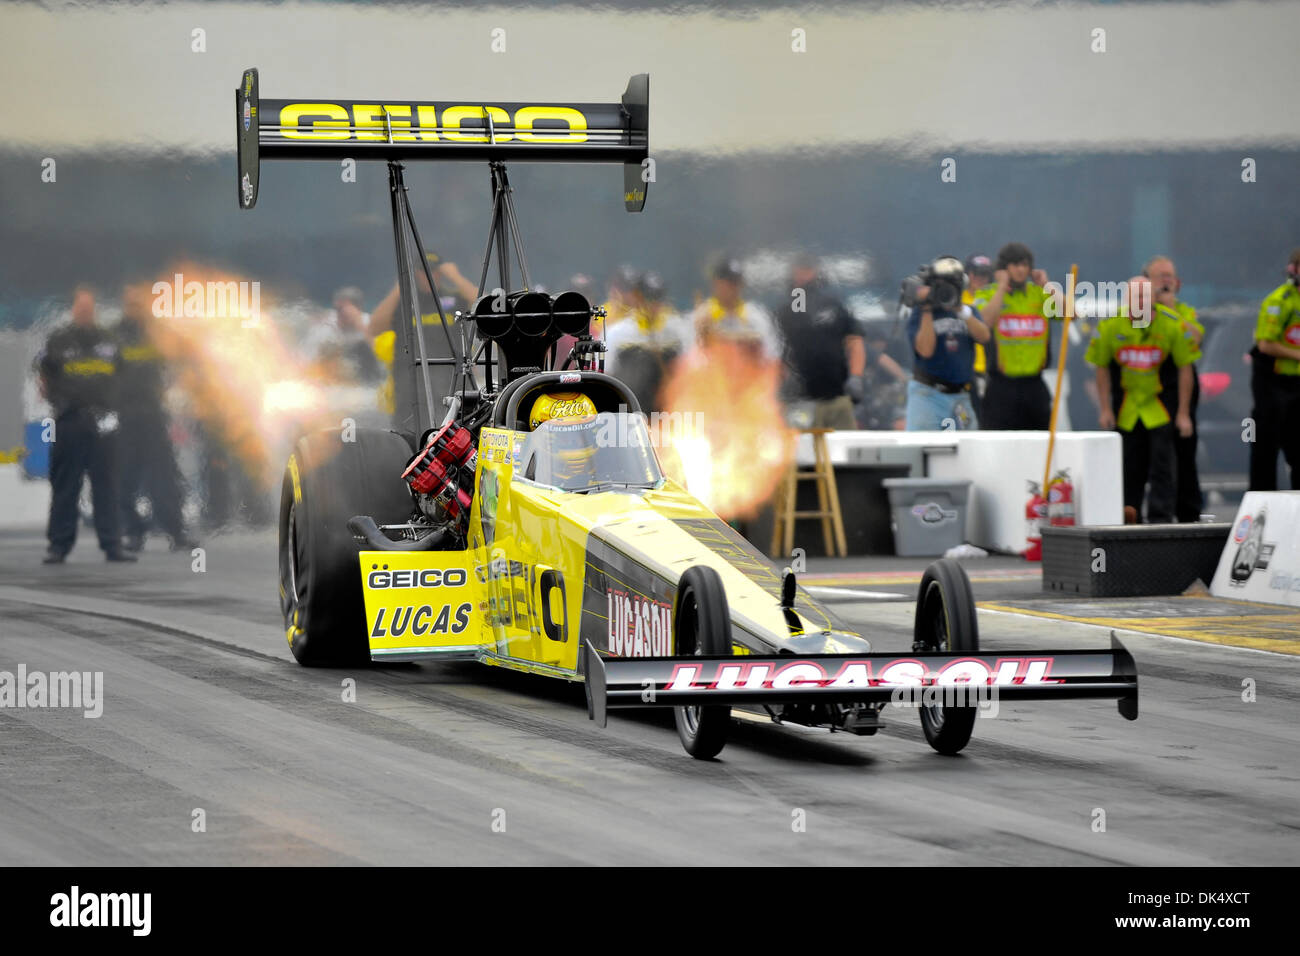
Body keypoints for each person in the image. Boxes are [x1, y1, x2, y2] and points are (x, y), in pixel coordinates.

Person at [36, 285, 135, 563]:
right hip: (70, 420)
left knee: (107, 485)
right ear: (73, 310)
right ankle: (58, 546)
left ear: (95, 311)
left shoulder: (110, 340)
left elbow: (123, 376)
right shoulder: (59, 340)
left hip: (104, 421)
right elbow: (44, 376)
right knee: (66, 485)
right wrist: (59, 402)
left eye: (89, 309)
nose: (85, 313)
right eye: (81, 308)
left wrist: (115, 406)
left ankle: (112, 545)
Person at [1087, 277, 1198, 523]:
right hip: (1127, 407)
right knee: (1128, 466)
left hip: (1160, 405)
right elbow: (1101, 368)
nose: (1140, 302)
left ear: (1154, 299)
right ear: (1126, 299)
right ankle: (1129, 517)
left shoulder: (1171, 324)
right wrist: (1104, 409)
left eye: (1145, 296)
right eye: (1135, 297)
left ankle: (1161, 519)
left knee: (1163, 465)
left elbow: (1186, 368)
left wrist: (1183, 413)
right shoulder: (1111, 326)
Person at [114, 283, 196, 552]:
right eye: (131, 304)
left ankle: (176, 531)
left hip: (153, 414)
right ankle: (133, 532)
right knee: (125, 477)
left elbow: (178, 361)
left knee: (164, 476)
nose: (135, 309)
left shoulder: (158, 334)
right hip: (125, 416)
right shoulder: (114, 337)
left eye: (139, 304)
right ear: (125, 307)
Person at [773, 255, 865, 430]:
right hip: (800, 401)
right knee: (802, 452)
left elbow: (854, 341)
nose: (803, 275)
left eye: (807, 270)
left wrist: (855, 377)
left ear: (816, 273)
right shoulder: (787, 311)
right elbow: (777, 350)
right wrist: (782, 379)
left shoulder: (835, 306)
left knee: (844, 451)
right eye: (799, 271)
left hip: (837, 397)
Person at [1145, 256, 1205, 520]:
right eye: (1160, 276)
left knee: (1185, 452)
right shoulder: (1140, 310)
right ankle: (1156, 514)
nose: (1166, 281)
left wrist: (1170, 310)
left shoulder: (1184, 310)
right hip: (1149, 391)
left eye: (1170, 276)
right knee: (1156, 457)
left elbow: (1195, 337)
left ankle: (1189, 514)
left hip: (1180, 392)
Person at [971, 242, 1054, 430]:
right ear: (1004, 268)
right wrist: (1001, 287)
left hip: (1035, 385)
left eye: (1025, 265)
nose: (1020, 270)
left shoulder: (1039, 294)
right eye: (1015, 265)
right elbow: (982, 323)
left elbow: (1070, 314)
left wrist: (1047, 284)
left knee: (1038, 446)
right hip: (1001, 386)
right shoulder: (988, 293)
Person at [904, 256, 990, 430]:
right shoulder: (919, 314)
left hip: (961, 395)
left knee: (968, 450)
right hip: (928, 394)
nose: (947, 290)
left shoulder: (968, 311)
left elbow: (984, 337)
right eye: (942, 285)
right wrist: (926, 308)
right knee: (922, 449)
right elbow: (925, 351)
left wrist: (960, 309)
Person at [1249, 248, 1300, 490]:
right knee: (1265, 446)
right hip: (1273, 383)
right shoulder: (1278, 301)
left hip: (1297, 384)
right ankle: (1261, 502)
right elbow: (1265, 344)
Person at [604, 272, 689, 412]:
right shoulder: (617, 334)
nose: (653, 305)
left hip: (669, 414)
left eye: (657, 299)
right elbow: (606, 375)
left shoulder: (677, 332)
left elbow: (687, 372)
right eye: (648, 299)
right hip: (631, 414)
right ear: (636, 298)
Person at [691, 258, 780, 360]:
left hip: (749, 374)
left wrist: (722, 338)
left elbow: (770, 354)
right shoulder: (702, 316)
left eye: (737, 282)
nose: (733, 287)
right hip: (712, 374)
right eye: (728, 282)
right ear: (716, 283)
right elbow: (692, 357)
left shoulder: (756, 317)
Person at [963, 254, 995, 418]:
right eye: (974, 273)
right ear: (966, 275)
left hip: (991, 370)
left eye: (984, 274)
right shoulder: (957, 299)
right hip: (970, 370)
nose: (979, 278)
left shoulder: (995, 299)